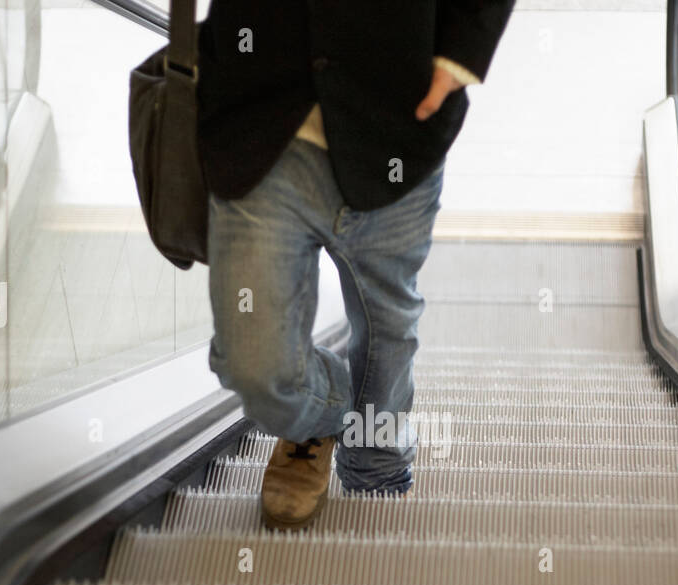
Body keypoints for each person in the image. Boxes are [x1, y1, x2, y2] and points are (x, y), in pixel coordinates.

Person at [197, 1, 514, 530]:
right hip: (259, 120)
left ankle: (375, 467)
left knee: (389, 325)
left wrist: (462, 52)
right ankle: (327, 419)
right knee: (253, 365)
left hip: (398, 127)